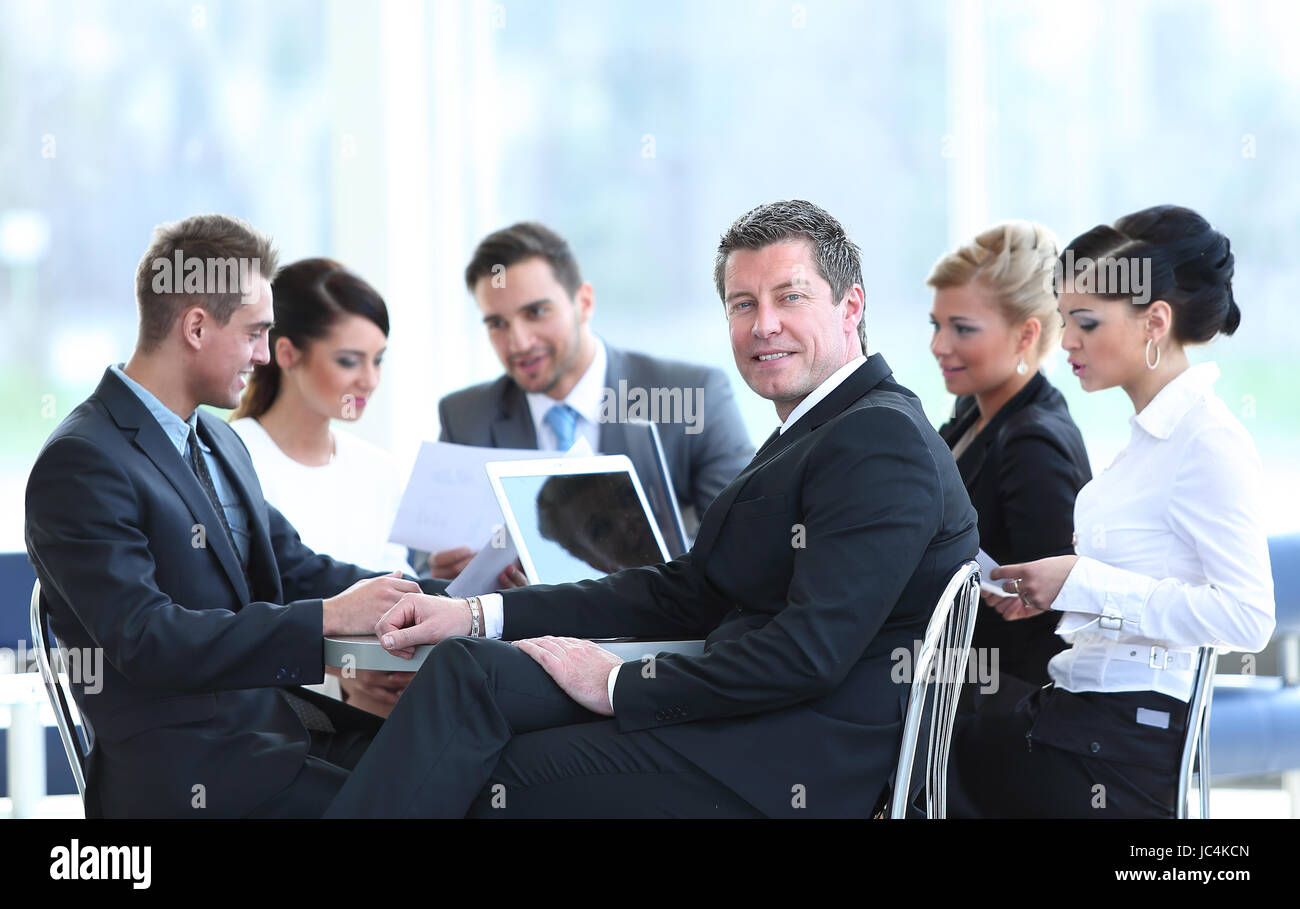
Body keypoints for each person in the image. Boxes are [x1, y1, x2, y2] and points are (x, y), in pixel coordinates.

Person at [324, 200, 979, 819]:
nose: (763, 324)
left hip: (783, 759)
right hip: (733, 721)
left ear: (850, 305)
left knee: (483, 773)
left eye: (790, 297)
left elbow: (808, 654)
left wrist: (620, 683)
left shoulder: (877, 438)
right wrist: (475, 612)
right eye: (742, 304)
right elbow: (684, 590)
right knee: (467, 668)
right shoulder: (815, 429)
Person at [24, 215, 444, 818]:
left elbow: (296, 568)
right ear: (196, 326)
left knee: (460, 756)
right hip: (188, 774)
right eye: (254, 333)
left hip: (268, 734)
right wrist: (327, 620)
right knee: (434, 792)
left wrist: (455, 602)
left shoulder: (218, 442)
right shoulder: (83, 463)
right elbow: (149, 640)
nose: (263, 355)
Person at [947, 205, 1275, 818]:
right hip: (1076, 716)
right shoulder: (1148, 440)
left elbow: (1248, 617)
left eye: (1087, 322)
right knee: (912, 727)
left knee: (908, 748)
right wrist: (1066, 592)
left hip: (1117, 748)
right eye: (1065, 318)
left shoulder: (1206, 440)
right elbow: (1146, 580)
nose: (1066, 340)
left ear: (1154, 322)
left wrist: (1087, 581)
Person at [420, 221, 754, 578]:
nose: (518, 342)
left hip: (653, 627)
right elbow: (422, 566)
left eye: (536, 312)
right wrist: (444, 572)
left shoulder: (692, 395)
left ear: (584, 303)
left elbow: (744, 545)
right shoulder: (465, 416)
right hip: (518, 629)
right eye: (497, 323)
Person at [229, 258, 415, 717]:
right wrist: (345, 671)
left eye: (378, 360)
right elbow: (234, 621)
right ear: (287, 354)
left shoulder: (379, 469)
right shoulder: (235, 460)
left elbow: (395, 594)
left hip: (397, 701)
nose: (369, 380)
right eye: (349, 361)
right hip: (282, 714)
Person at [928, 221, 1092, 693]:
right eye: (937, 325)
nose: (939, 345)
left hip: (1000, 702)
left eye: (962, 329)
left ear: (1026, 335)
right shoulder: (971, 414)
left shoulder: (1032, 443)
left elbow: (1057, 624)